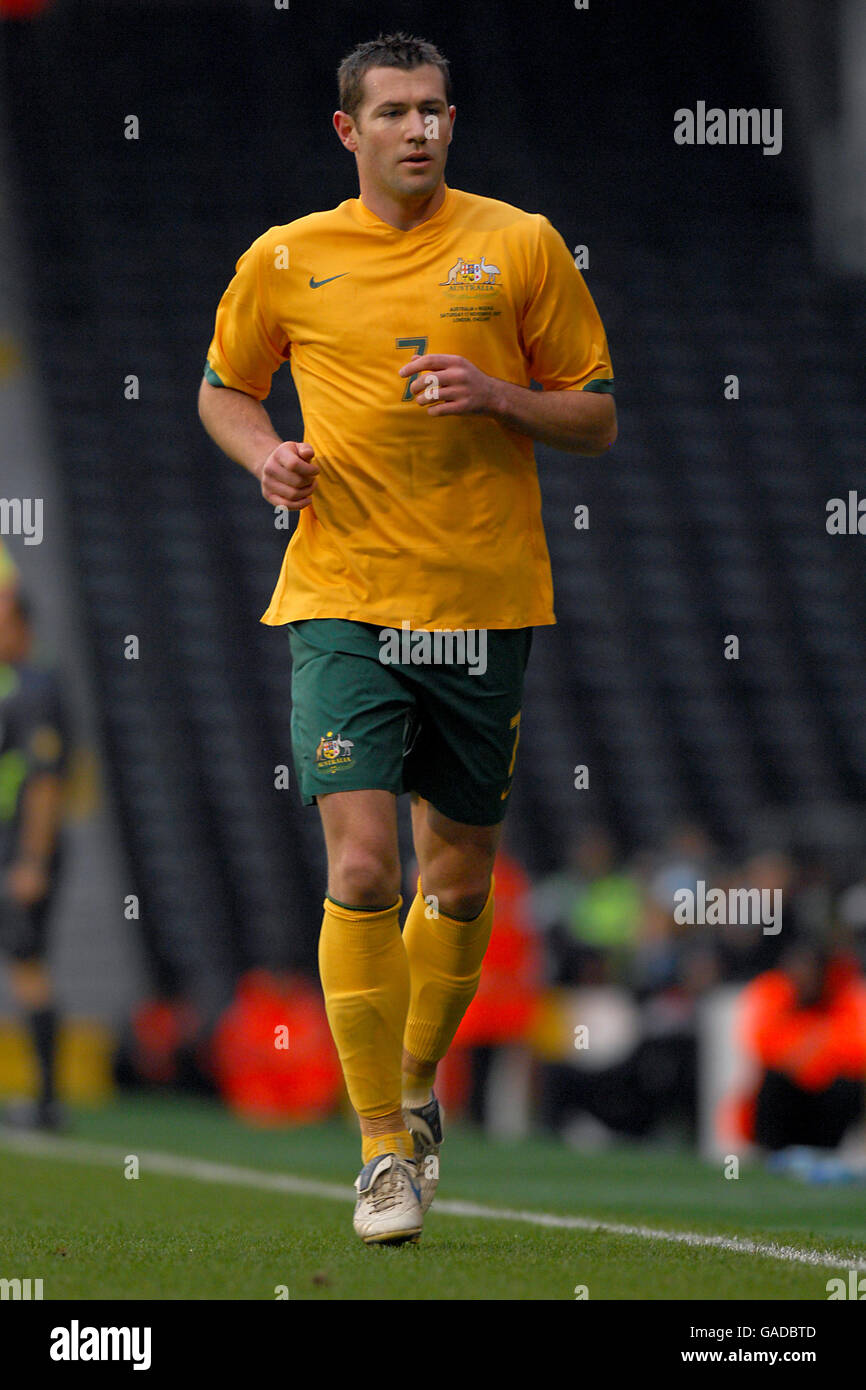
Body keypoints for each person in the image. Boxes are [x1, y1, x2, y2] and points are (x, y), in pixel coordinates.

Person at [198, 32, 616, 1244]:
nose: (419, 129)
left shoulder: (520, 243)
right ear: (349, 131)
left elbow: (593, 414)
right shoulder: (286, 257)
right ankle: (382, 1147)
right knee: (364, 867)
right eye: (393, 112)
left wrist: (498, 395)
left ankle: (421, 1081)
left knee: (461, 875)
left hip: (484, 603)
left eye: (434, 109)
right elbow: (223, 386)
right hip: (339, 594)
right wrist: (262, 452)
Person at [0, 585, 69, 1130]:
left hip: (23, 849)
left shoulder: (38, 686)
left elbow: (47, 783)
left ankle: (47, 1101)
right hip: (9, 845)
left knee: (28, 965)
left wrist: (32, 862)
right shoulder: (13, 686)